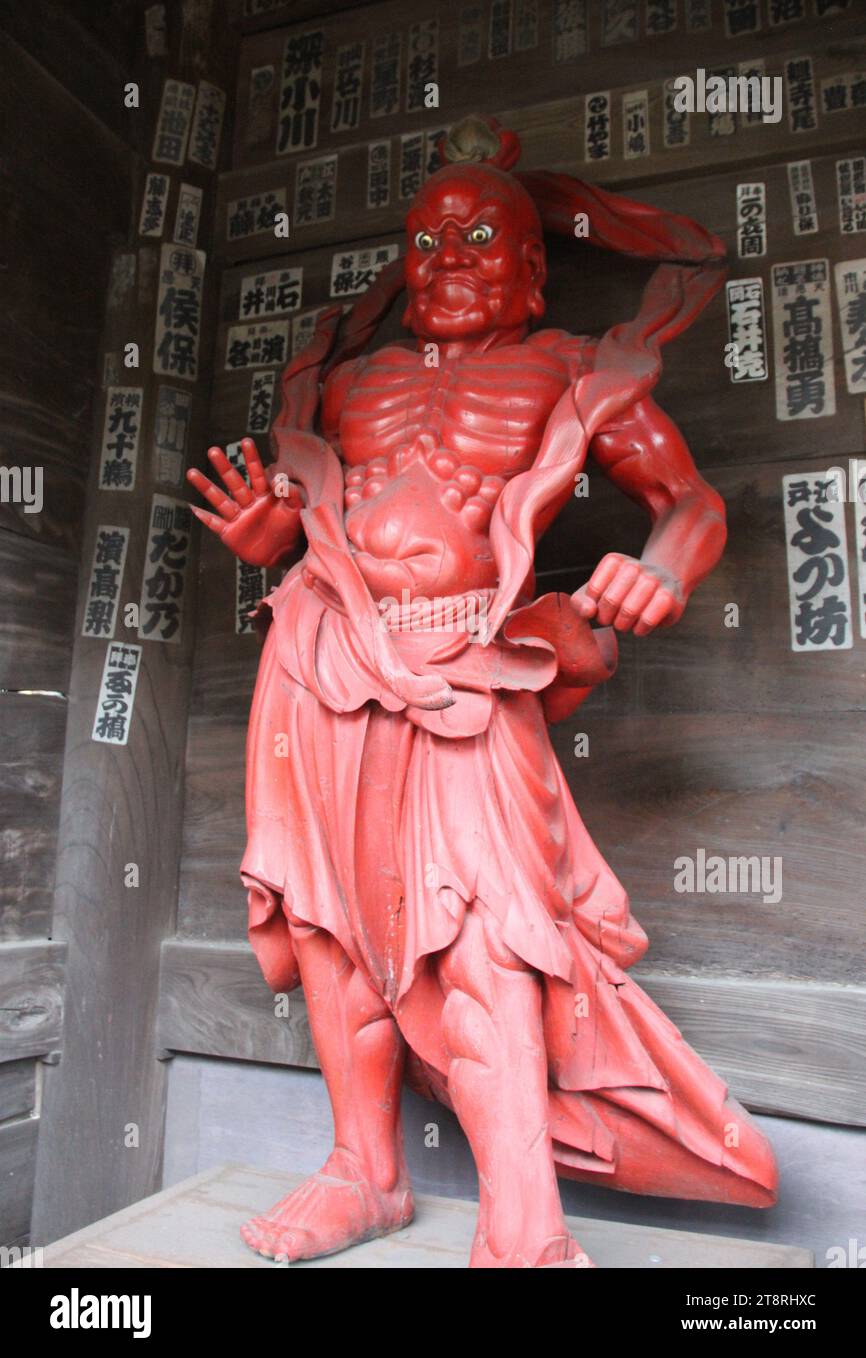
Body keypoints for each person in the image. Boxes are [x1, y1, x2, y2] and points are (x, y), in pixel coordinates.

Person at [188, 117, 777, 1269]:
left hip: (467, 668)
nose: (446, 257)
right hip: (324, 660)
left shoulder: (566, 368)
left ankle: (524, 1225)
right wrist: (272, 539)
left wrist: (658, 568)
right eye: (422, 240)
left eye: (476, 234)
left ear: (532, 262)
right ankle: (364, 1171)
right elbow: (311, 528)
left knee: (491, 936)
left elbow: (690, 503)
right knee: (328, 928)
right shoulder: (347, 381)